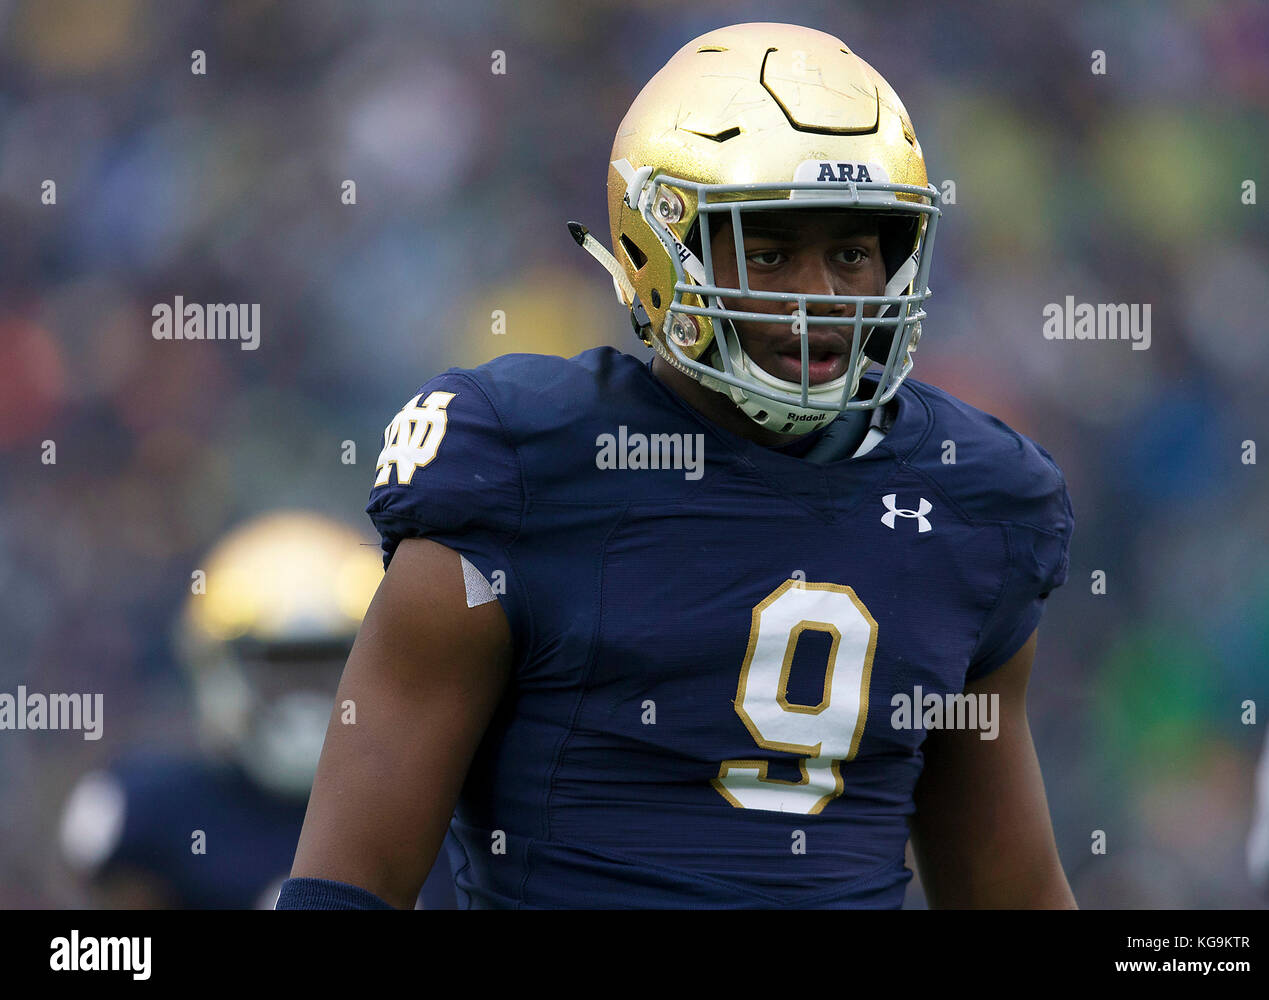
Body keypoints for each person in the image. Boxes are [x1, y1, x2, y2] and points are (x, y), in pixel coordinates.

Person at [280, 21, 1076, 909]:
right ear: (659, 248)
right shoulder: (520, 468)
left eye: (852, 254)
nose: (821, 295)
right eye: (770, 252)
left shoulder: (979, 500)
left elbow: (1011, 894)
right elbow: (346, 890)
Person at [58, 510, 456, 908]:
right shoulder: (156, 814)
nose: (303, 700)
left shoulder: (442, 818)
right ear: (216, 669)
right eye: (279, 670)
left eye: (328, 668)